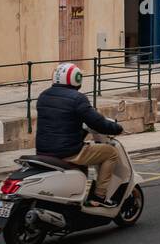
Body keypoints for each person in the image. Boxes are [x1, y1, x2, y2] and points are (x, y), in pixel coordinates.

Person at [35, 63, 125, 207]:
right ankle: (99, 197)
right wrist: (116, 128)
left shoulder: (43, 96)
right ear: (76, 79)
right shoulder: (77, 98)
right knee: (111, 153)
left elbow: (60, 120)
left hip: (43, 150)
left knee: (87, 150)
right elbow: (96, 122)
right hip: (67, 151)